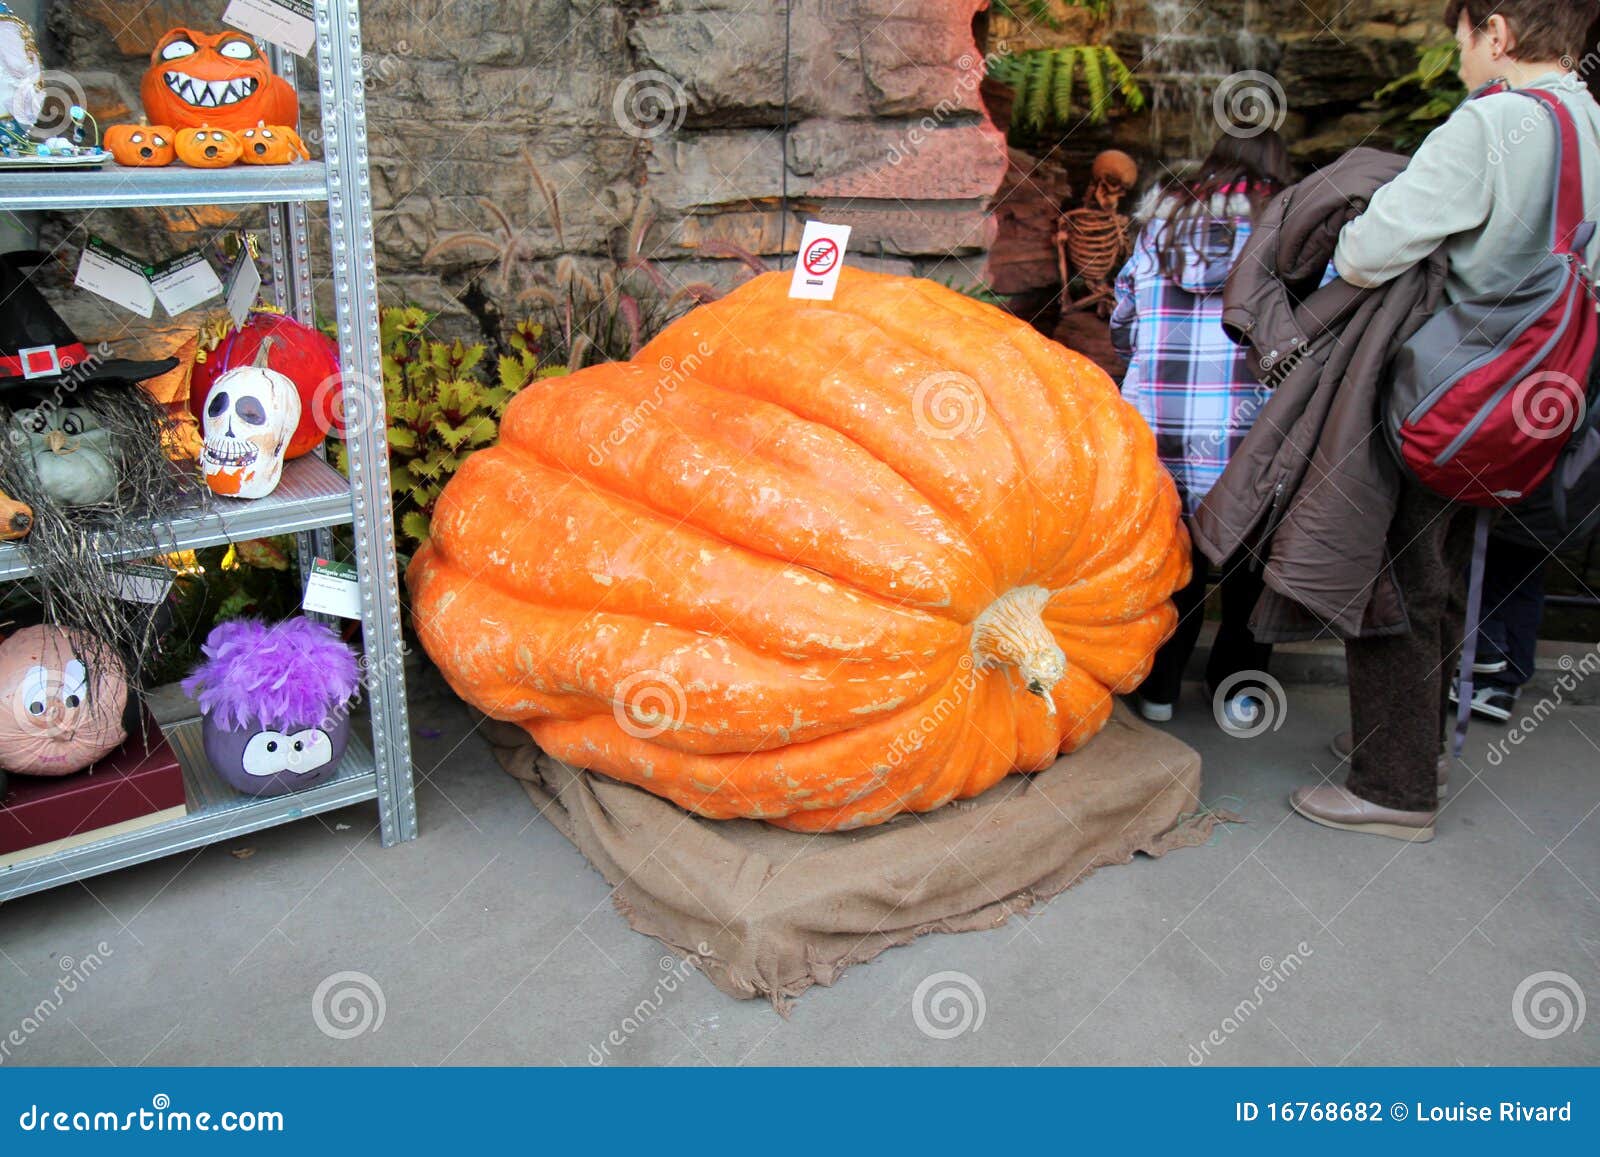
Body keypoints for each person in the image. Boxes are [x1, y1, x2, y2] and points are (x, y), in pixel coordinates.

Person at [1297, 0, 1600, 840]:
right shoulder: (1591, 123)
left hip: (1450, 393)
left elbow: (1368, 251)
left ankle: (1392, 790)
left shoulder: (1492, 124)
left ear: (1496, 32)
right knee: (1450, 563)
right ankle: (1406, 744)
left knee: (1394, 569)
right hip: (1536, 398)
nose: (1460, 53)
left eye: (1462, 37)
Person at [1109, 131, 1293, 725]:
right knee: (1248, 567)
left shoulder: (1159, 226)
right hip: (1251, 427)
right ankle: (1238, 696)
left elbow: (1124, 318)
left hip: (1157, 425)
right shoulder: (1289, 230)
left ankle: (1158, 690)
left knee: (1171, 559)